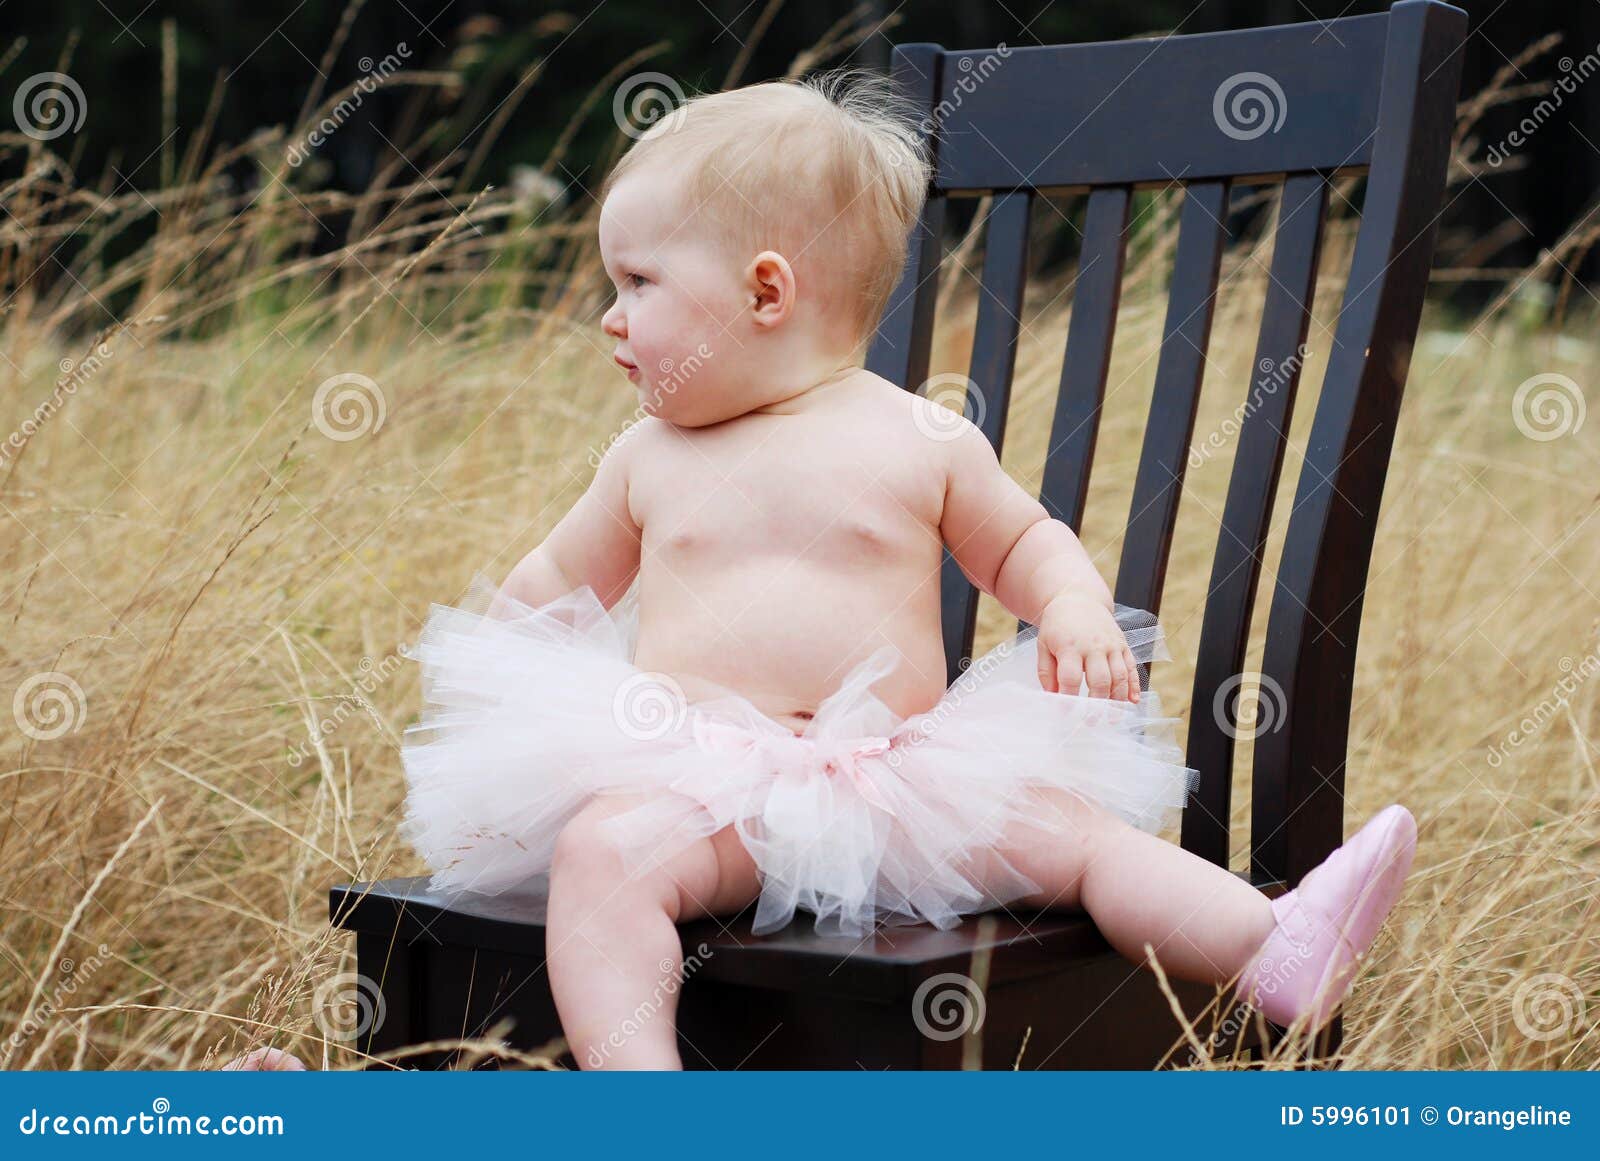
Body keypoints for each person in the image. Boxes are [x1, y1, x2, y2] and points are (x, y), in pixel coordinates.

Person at [230, 69, 1417, 1073]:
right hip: (709, 785)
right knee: (603, 854)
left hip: (905, 783)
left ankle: (1275, 950)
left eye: (635, 284)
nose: (607, 318)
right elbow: (554, 580)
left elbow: (1020, 540)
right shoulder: (645, 458)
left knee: (1086, 842)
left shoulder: (920, 435)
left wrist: (1064, 602)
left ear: (762, 291)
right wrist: (498, 657)